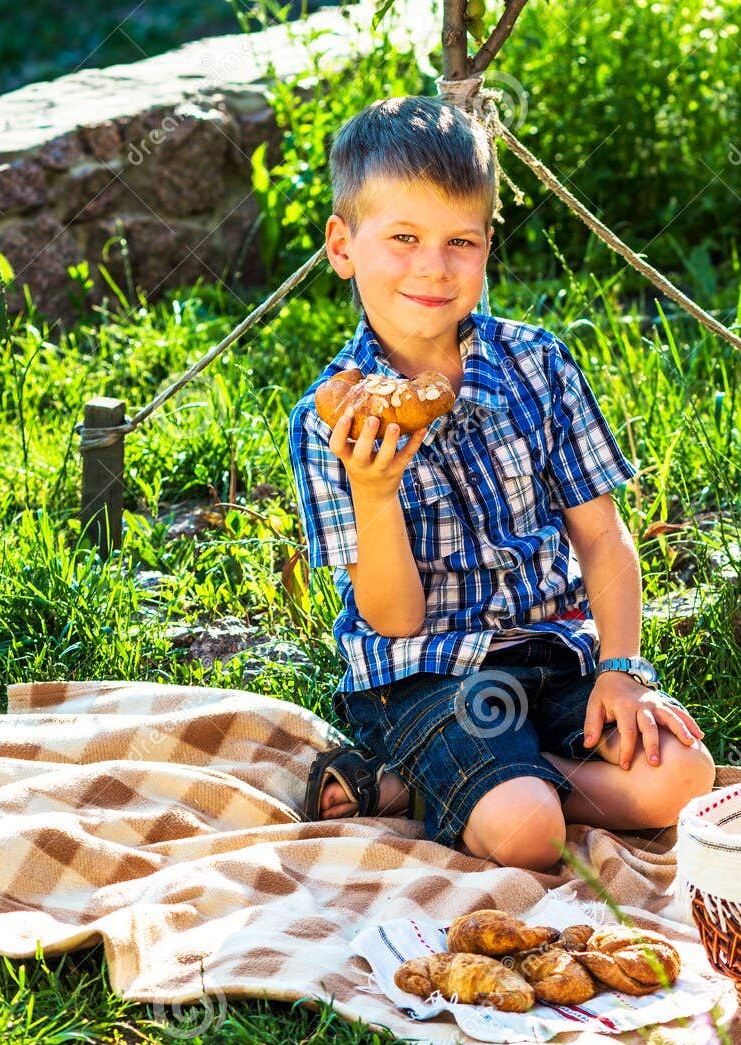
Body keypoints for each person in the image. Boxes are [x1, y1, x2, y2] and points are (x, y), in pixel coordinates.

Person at [286, 95, 715, 871]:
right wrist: (375, 495)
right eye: (404, 238)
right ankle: (456, 777)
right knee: (531, 836)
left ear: (487, 246)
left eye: (461, 241)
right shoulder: (332, 422)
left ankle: (429, 788)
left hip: (553, 652)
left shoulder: (538, 365)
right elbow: (393, 621)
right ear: (344, 247)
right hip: (425, 677)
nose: (433, 266)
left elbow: (601, 534)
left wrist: (621, 671)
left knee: (684, 776)